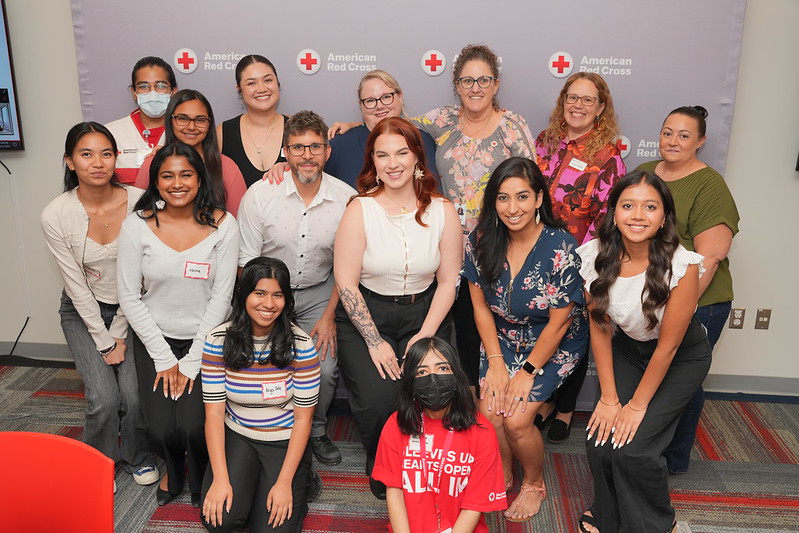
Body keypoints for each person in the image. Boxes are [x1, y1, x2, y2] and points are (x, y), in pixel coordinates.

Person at [333, 117, 462, 499]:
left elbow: (448, 281)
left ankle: (424, 464)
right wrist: (374, 341)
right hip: (366, 315)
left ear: (417, 157)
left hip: (426, 313)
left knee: (433, 392)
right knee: (378, 401)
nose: (393, 163)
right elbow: (345, 282)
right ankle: (382, 464)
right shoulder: (360, 209)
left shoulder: (443, 210)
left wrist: (425, 334)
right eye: (382, 154)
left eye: (401, 152)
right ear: (372, 160)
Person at [577, 171, 711, 533]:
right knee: (600, 439)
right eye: (628, 206)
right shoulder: (594, 256)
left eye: (650, 207)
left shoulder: (683, 266)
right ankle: (607, 514)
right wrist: (608, 398)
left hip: (681, 358)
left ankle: (655, 523)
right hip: (628, 349)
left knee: (633, 448)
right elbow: (601, 328)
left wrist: (635, 406)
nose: (638, 215)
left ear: (664, 216)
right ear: (614, 212)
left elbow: (667, 348)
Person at [463, 157, 588, 522]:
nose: (512, 208)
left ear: (538, 199)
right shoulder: (479, 239)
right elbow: (481, 309)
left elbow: (560, 322)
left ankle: (534, 482)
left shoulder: (561, 246)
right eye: (503, 198)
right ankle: (502, 473)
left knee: (516, 419)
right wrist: (498, 365)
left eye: (522, 197)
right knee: (489, 412)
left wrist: (527, 371)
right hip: (502, 338)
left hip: (553, 340)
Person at [117, 142, 239, 507]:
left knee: (192, 425)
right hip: (155, 340)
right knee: (160, 428)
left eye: (186, 174)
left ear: (200, 180)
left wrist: (191, 361)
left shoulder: (223, 224)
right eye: (166, 176)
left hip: (208, 338)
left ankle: (201, 473)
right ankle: (173, 466)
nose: (177, 183)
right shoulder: (136, 225)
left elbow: (222, 298)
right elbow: (128, 295)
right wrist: (165, 357)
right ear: (155, 183)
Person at [41, 122, 157, 490]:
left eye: (106, 154)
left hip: (135, 308)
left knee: (136, 397)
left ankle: (138, 456)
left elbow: (142, 274)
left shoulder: (141, 201)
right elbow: (75, 286)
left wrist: (119, 331)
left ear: (116, 158)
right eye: (86, 154)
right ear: (70, 162)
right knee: (104, 400)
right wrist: (105, 340)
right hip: (82, 312)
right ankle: (98, 461)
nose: (98, 163)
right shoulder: (55, 214)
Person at [412, 44, 536, 389]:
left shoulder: (512, 126)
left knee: (503, 324)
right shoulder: (444, 120)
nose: (475, 88)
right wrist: (352, 124)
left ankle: (510, 393)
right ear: (456, 85)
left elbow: (532, 181)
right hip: (452, 245)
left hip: (501, 242)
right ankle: (471, 395)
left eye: (484, 80)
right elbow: (397, 128)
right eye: (467, 80)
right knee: (464, 323)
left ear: (496, 85)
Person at [238, 110, 356, 468]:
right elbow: (246, 262)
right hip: (267, 292)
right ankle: (272, 429)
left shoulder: (346, 199)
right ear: (285, 153)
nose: (307, 155)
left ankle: (315, 430)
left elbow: (346, 268)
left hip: (321, 290)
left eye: (315, 146)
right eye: (298, 147)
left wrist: (329, 315)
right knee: (266, 360)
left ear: (327, 152)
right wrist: (262, 309)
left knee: (323, 366)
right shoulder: (260, 195)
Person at [637, 105, 739, 474]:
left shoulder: (710, 185)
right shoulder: (644, 173)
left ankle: (673, 459)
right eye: (668, 132)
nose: (673, 141)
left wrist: (680, 308)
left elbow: (710, 257)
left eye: (684, 135)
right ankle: (645, 449)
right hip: (649, 298)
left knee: (682, 380)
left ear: (701, 141)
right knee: (648, 374)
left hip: (700, 301)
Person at [533, 72, 626, 445]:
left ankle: (566, 408)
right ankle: (543, 399)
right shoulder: (544, 141)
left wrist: (582, 264)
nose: (578, 105)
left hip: (578, 260)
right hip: (536, 251)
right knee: (542, 328)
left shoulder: (608, 155)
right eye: (572, 97)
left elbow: (607, 219)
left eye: (588, 100)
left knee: (573, 333)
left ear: (600, 107)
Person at [200, 257, 320, 533]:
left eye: (278, 295)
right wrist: (220, 479)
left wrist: (284, 482)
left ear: (286, 300)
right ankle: (248, 484)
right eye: (260, 293)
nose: (269, 304)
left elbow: (304, 420)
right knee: (220, 521)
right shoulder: (218, 340)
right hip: (239, 435)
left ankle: (302, 476)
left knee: (272, 529)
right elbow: (215, 414)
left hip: (283, 439)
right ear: (244, 294)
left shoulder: (301, 345)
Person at [372, 337, 507, 533]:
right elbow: (394, 491)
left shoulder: (482, 431)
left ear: (456, 376)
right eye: (422, 371)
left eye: (442, 368)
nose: (433, 377)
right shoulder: (396, 424)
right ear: (411, 382)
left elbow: (474, 503)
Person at [135, 89, 247, 217]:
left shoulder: (226, 166)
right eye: (183, 119)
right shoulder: (152, 163)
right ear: (170, 120)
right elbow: (139, 217)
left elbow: (240, 222)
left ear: (209, 123)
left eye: (200, 120)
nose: (192, 127)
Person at [327, 70, 438, 188]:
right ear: (361, 105)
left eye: (386, 97)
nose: (379, 106)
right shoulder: (340, 145)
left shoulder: (421, 140)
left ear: (400, 97)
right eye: (370, 101)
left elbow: (433, 192)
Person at [218, 54, 287, 187]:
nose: (261, 89)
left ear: (277, 83)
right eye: (251, 83)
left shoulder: (297, 128)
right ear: (240, 90)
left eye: (267, 80)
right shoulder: (223, 133)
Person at [105, 56, 177, 185]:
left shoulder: (185, 133)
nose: (153, 93)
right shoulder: (111, 133)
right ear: (134, 92)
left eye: (161, 86)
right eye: (143, 86)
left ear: (173, 91)